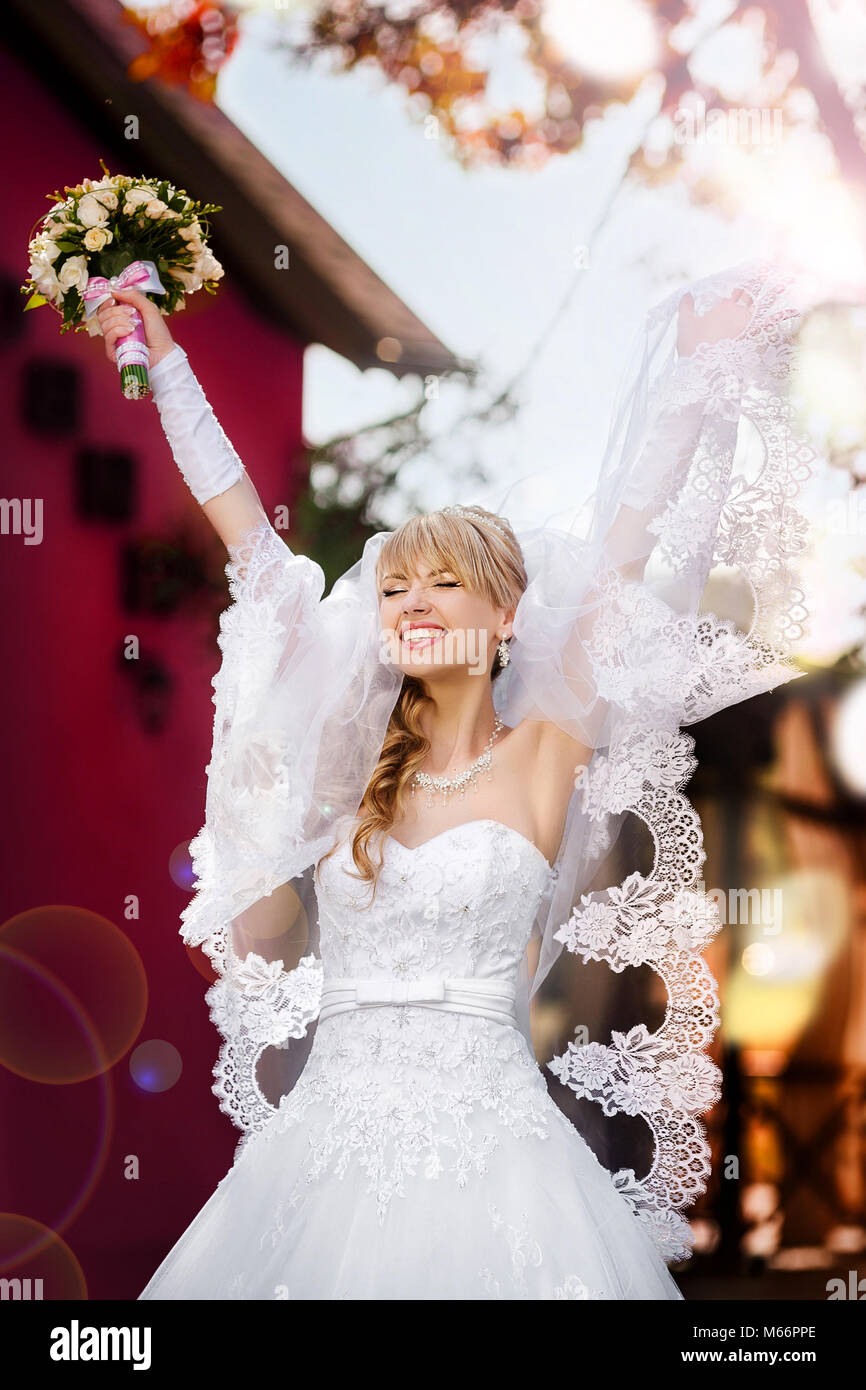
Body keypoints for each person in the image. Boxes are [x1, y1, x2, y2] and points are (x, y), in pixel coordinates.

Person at [96, 262, 818, 1300]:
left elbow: (626, 538)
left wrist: (695, 374)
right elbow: (252, 547)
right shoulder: (349, 769)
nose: (413, 600)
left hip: (499, 1165)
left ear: (507, 617)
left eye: (446, 581)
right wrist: (166, 367)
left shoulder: (544, 747)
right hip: (319, 1157)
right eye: (395, 585)